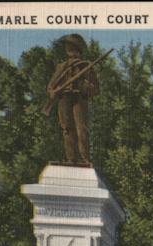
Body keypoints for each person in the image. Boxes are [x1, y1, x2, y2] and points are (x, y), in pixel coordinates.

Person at [47, 34, 99, 164]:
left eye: (71, 46)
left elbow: (96, 89)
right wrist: (52, 92)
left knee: (82, 129)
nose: (68, 48)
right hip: (64, 98)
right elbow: (50, 86)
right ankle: (71, 158)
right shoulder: (61, 66)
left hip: (79, 98)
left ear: (77, 48)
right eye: (68, 46)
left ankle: (85, 158)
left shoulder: (86, 66)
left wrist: (86, 86)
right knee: (67, 128)